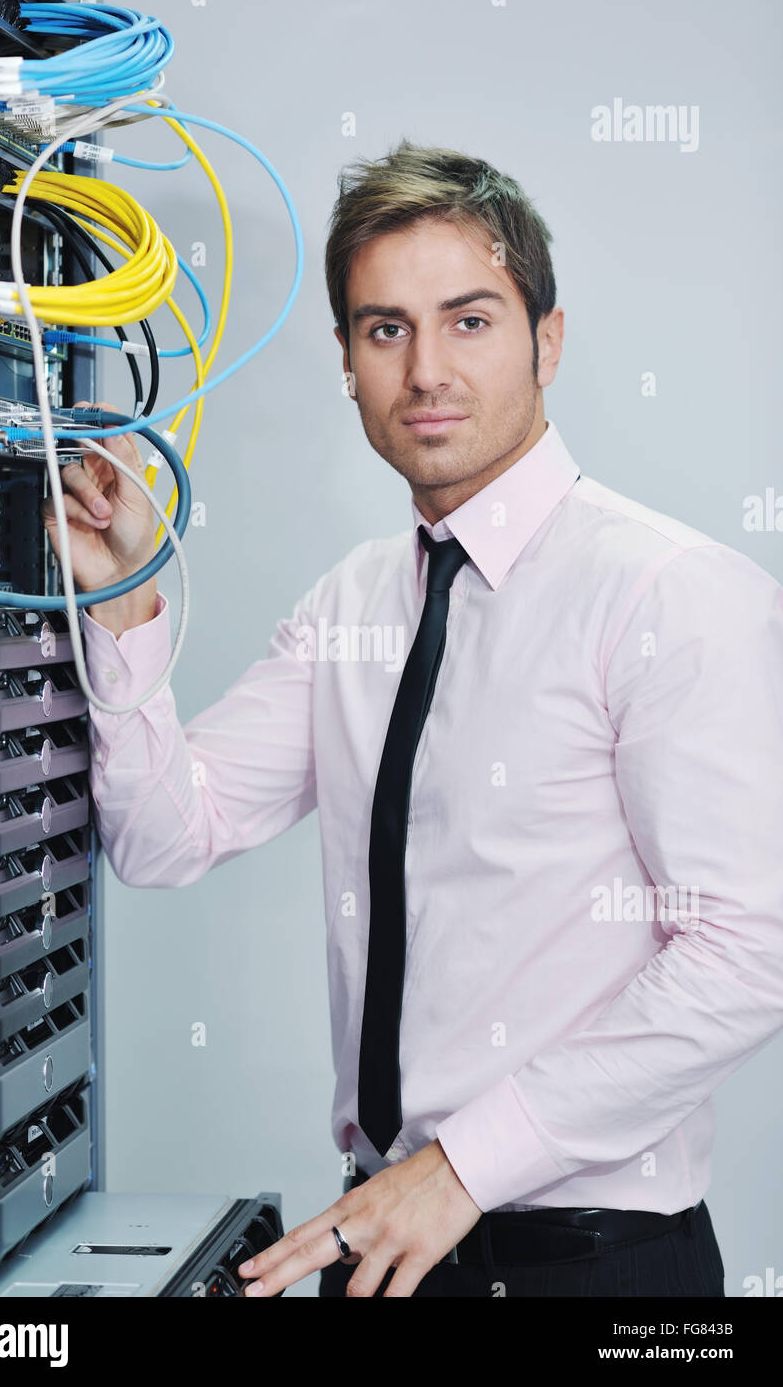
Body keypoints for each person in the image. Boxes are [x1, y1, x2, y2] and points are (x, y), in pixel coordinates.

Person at [41, 140, 783, 1298]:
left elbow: (750, 951)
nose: (425, 369)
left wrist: (460, 1169)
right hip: (385, 1243)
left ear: (545, 339)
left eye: (469, 321)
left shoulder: (669, 596)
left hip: (589, 1267)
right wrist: (125, 597)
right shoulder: (352, 603)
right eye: (385, 329)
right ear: (345, 361)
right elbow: (161, 834)